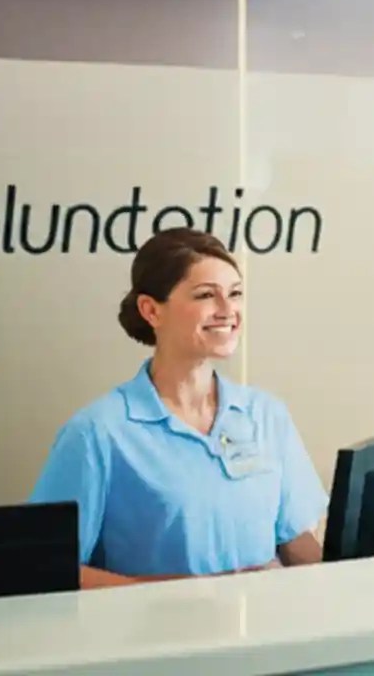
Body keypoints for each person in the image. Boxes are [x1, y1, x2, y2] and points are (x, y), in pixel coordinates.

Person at [29, 227, 328, 589]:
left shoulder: (266, 415)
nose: (228, 310)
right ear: (151, 310)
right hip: (153, 626)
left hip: (263, 625)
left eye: (235, 294)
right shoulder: (97, 434)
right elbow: (47, 570)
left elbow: (295, 542)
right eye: (206, 295)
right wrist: (188, 593)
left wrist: (350, 584)